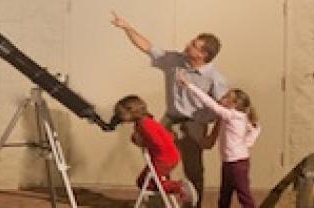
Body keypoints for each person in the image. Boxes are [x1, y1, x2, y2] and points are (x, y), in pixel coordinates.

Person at [111, 11, 228, 207]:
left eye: (194, 45)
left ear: (203, 55)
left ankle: (193, 204)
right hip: (170, 118)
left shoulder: (215, 78)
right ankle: (162, 201)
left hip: (194, 124)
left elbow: (224, 111)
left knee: (193, 169)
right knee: (158, 160)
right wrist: (127, 27)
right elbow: (147, 47)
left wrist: (212, 137)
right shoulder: (175, 60)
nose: (188, 44)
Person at [175, 76, 260, 208]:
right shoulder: (238, 116)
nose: (222, 98)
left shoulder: (232, 115)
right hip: (229, 162)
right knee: (225, 194)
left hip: (237, 164)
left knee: (244, 195)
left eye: (227, 97)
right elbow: (256, 128)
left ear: (234, 104)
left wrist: (189, 85)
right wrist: (246, 144)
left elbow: (210, 103)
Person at [113, 95, 198, 207]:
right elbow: (166, 137)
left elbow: (158, 142)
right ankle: (176, 187)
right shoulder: (144, 123)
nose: (120, 117)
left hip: (164, 158)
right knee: (143, 181)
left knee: (146, 182)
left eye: (121, 114)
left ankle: (180, 187)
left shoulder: (145, 125)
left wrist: (142, 143)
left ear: (131, 111)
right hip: (166, 156)